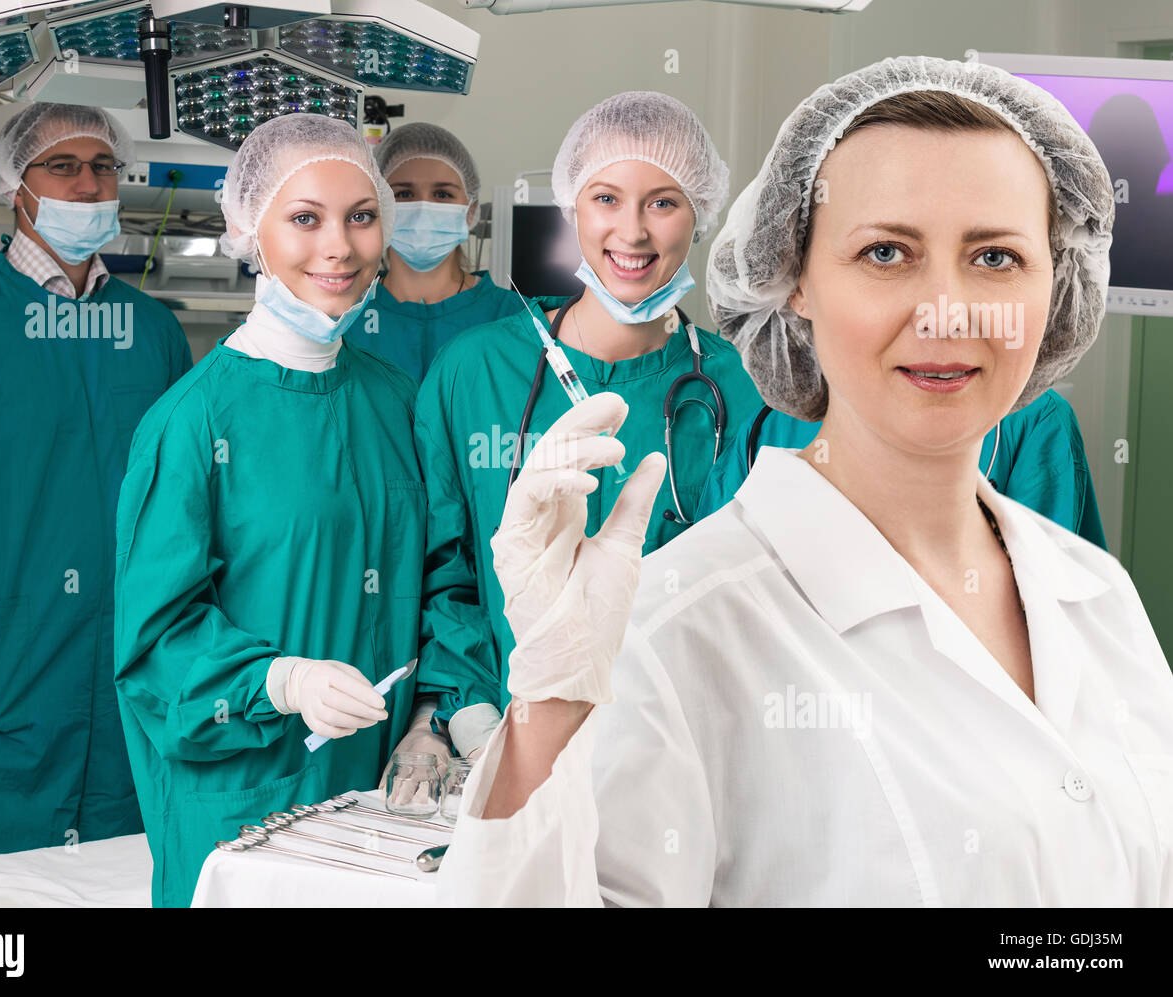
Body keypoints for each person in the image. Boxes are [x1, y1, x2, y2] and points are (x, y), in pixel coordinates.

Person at [436, 56, 1173, 906]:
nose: (946, 309)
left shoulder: (1099, 598)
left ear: (1059, 287)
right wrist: (550, 709)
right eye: (887, 251)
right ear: (793, 285)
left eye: (997, 257)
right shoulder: (682, 632)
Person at [113, 114, 426, 907]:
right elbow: (154, 648)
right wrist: (280, 679)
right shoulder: (192, 423)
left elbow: (437, 571)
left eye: (361, 217)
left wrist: (433, 716)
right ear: (251, 231)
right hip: (243, 807)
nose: (340, 247)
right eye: (305, 218)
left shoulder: (392, 398)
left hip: (374, 802)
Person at [0, 104, 192, 872]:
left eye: (103, 167)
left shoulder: (152, 333)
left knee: (117, 874)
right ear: (18, 186)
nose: (89, 184)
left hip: (122, 679)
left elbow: (185, 490)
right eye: (63, 167)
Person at [411, 92, 764, 767]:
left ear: (701, 215)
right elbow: (447, 572)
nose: (631, 233)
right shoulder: (475, 372)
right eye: (606, 199)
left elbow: (751, 596)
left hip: (681, 751)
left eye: (662, 202)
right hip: (510, 737)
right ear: (571, 208)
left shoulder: (742, 388)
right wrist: (476, 719)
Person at [696, 388, 1108, 548]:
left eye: (989, 259)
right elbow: (714, 598)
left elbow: (1047, 627)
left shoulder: (1032, 420)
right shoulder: (767, 426)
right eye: (886, 254)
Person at [363, 122, 529, 382]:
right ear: (380, 206)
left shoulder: (517, 319)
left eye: (442, 194)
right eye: (404, 194)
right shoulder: (348, 316)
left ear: (471, 211)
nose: (423, 208)